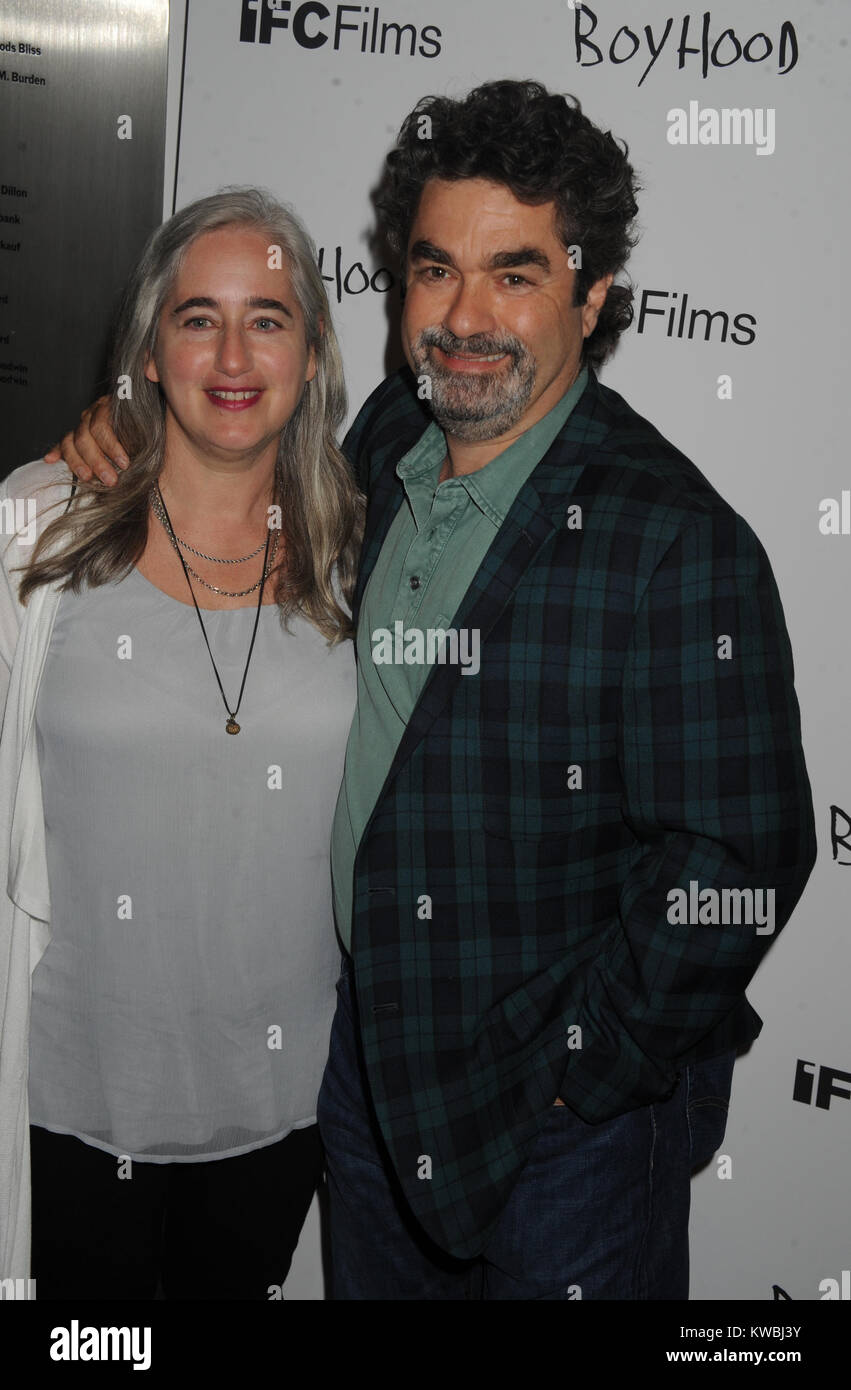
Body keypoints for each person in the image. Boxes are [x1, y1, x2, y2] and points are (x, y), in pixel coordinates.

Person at [47, 81, 817, 1301]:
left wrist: (582, 1067)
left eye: (513, 274)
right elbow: (218, 454)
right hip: (365, 1077)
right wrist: (125, 423)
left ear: (592, 294)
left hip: (561, 1135)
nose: (464, 316)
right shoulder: (383, 449)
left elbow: (743, 857)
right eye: (433, 269)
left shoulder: (670, 540)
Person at [0, 188, 361, 1299]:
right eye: (198, 317)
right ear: (148, 354)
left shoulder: (369, 551)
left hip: (279, 1107)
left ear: (309, 353)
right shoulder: (35, 530)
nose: (233, 351)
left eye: (268, 316)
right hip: (70, 1093)